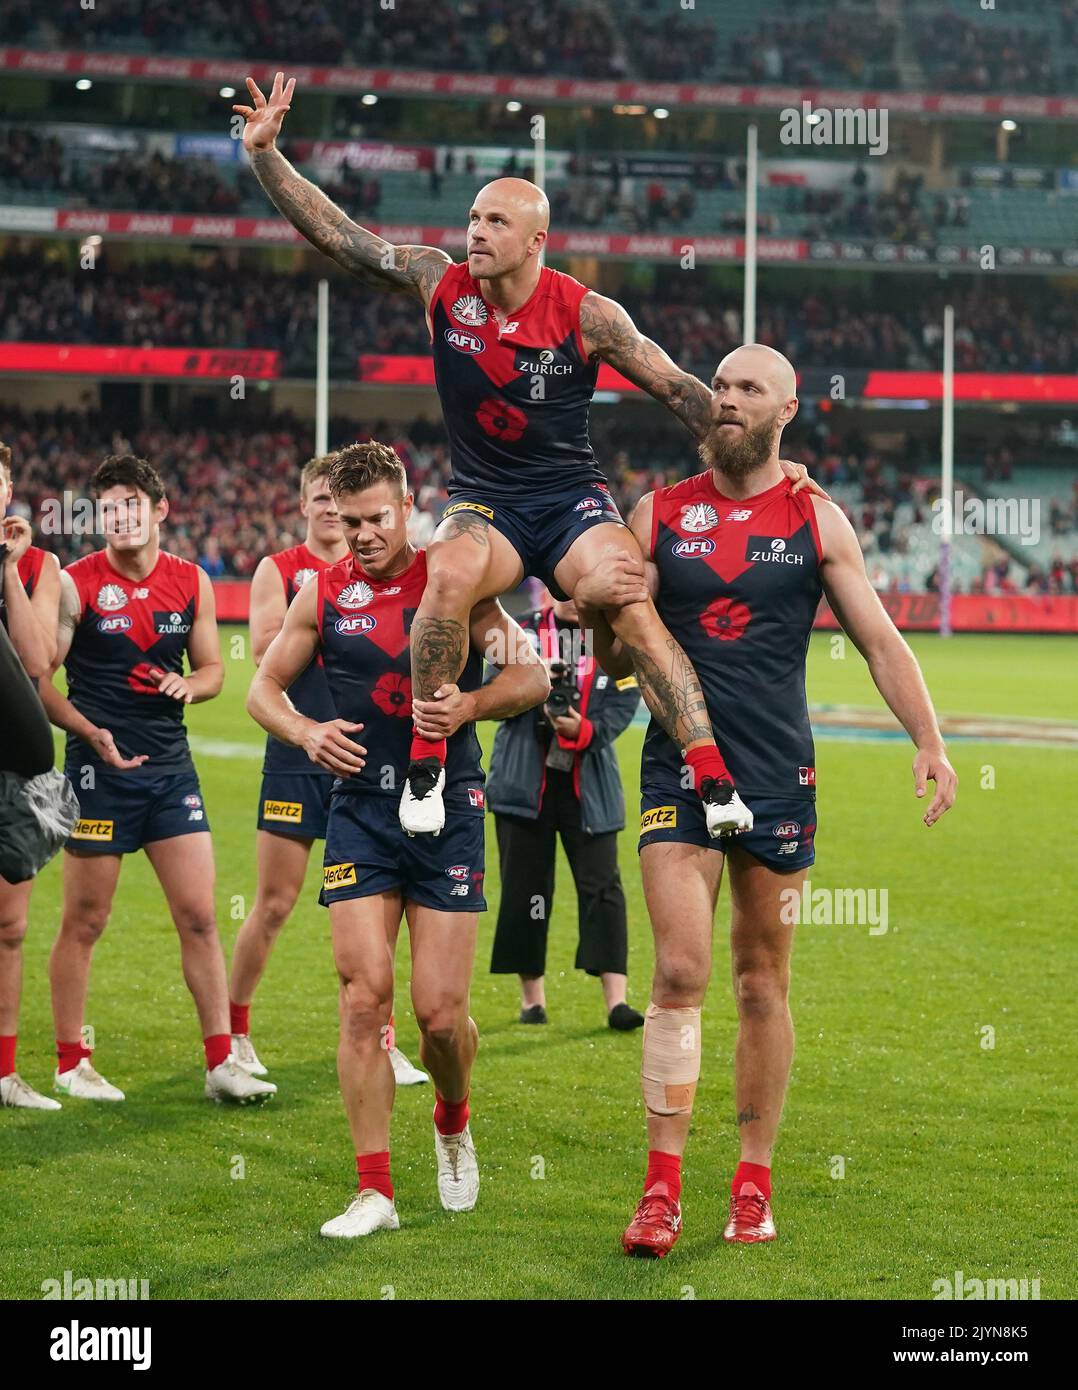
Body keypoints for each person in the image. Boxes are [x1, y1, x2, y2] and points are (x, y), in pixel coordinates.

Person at [235, 72, 826, 845]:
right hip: (487, 503)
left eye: (495, 222)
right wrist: (266, 158)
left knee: (626, 596)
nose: (476, 232)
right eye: (473, 217)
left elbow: (684, 393)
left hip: (571, 500)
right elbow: (346, 240)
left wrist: (773, 470)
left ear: (535, 241)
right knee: (444, 571)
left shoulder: (587, 314)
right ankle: (427, 764)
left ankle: (712, 778)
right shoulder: (440, 284)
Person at [579, 344, 957, 1256]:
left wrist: (930, 741)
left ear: (787, 410)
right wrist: (597, 613)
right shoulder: (660, 514)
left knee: (760, 983)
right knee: (679, 971)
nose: (729, 400)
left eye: (751, 389)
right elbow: (618, 660)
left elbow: (878, 641)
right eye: (722, 386)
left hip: (779, 774)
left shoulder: (816, 519)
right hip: (678, 767)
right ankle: (660, 1190)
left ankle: (752, 1182)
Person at [247, 442, 549, 1238]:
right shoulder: (321, 592)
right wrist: (307, 734)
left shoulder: (454, 585)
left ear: (407, 506)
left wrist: (469, 708)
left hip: (448, 810)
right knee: (362, 999)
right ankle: (374, 1190)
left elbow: (535, 678)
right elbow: (262, 690)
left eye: (376, 518)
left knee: (439, 1018)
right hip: (359, 813)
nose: (363, 535)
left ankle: (453, 1121)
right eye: (347, 523)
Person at [39, 454, 276, 1105]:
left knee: (200, 917)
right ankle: (70, 1061)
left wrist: (189, 686)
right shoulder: (75, 583)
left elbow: (213, 670)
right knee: (85, 919)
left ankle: (221, 1063)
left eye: (129, 504)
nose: (117, 517)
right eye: (107, 507)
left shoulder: (192, 581)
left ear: (159, 510)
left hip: (171, 771)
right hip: (96, 775)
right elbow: (42, 673)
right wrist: (88, 735)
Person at [227, 453, 425, 1086]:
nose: (329, 514)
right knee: (276, 902)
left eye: (335, 504)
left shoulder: (388, 571)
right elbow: (262, 653)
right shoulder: (285, 573)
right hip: (297, 752)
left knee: (381, 911)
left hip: (368, 758)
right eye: (320, 502)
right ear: (311, 507)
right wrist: (332, 617)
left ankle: (385, 1039)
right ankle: (236, 1034)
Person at [486, 588, 643, 1029]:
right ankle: (531, 1000)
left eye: (579, 587)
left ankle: (617, 1002)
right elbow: (487, 693)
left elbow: (628, 692)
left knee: (604, 889)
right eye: (562, 588)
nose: (573, 597)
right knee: (526, 891)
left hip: (588, 780)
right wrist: (534, 688)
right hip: (524, 780)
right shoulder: (518, 632)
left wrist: (590, 729)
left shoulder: (611, 634)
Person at [0, 442, 62, 1109]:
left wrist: (8, 571)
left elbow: (39, 661)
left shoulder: (39, 566)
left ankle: (6, 1072)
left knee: (11, 925)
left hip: (16, 765)